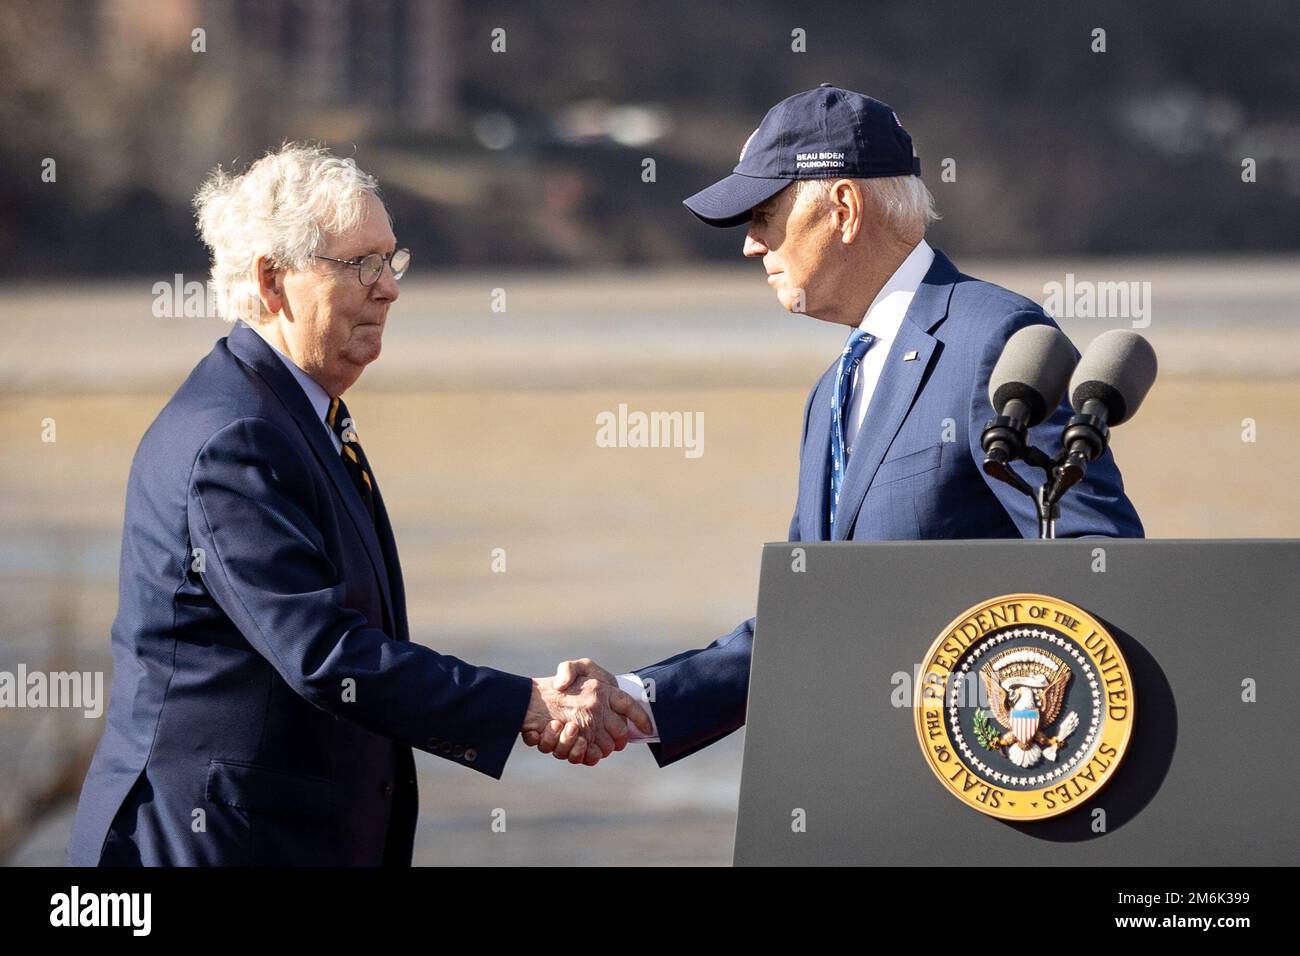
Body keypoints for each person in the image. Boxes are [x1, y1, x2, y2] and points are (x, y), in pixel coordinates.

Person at [66, 142, 650, 867]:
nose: (390, 288)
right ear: (272, 281)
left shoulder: (297, 412)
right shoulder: (235, 436)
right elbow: (324, 653)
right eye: (361, 264)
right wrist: (525, 705)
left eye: (392, 261)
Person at [525, 85, 1142, 766]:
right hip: (858, 792)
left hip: (981, 788)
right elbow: (808, 611)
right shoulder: (832, 393)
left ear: (843, 209)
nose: (751, 245)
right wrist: (641, 701)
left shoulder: (994, 342)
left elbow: (1098, 563)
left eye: (762, 215)